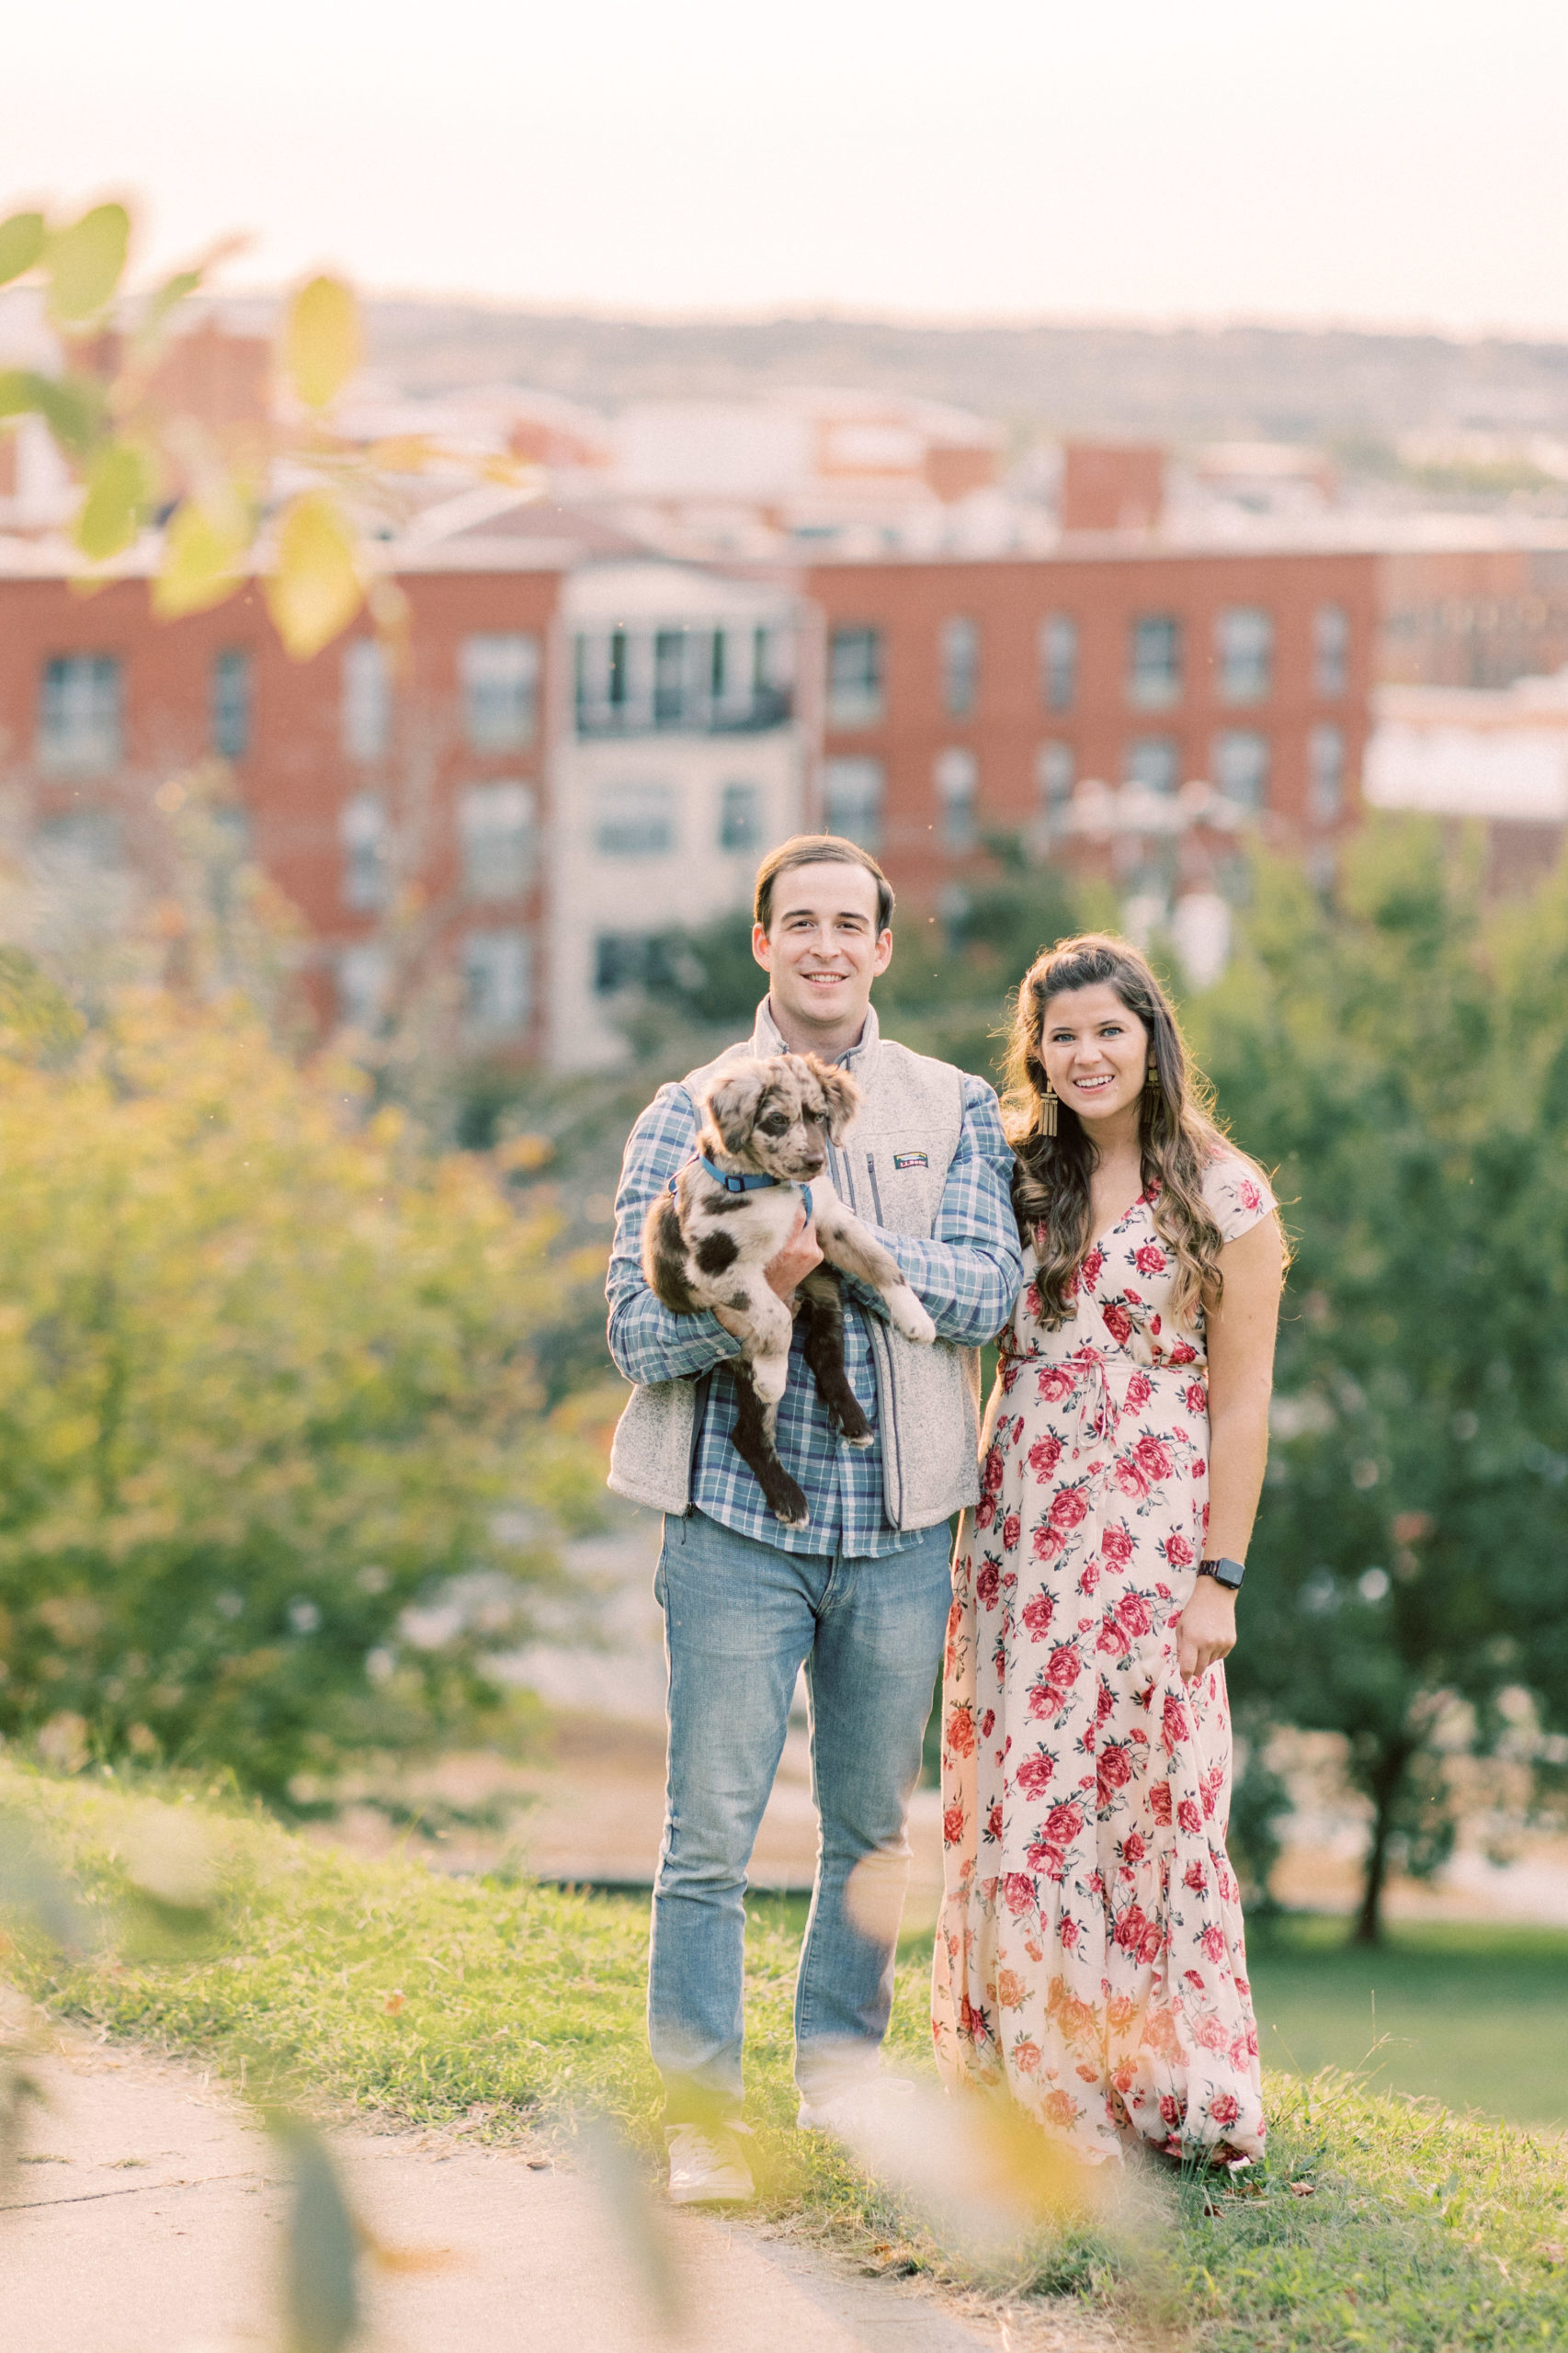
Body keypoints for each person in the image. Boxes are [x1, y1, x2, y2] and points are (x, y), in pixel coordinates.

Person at [607, 835, 1022, 2204]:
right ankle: (702, 2124)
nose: (827, 944)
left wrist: (847, 1245)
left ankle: (839, 2088)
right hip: (730, 1526)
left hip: (902, 1529)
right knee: (707, 1840)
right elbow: (626, 1324)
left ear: (882, 948)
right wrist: (747, 1292)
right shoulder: (687, 1108)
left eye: (851, 923)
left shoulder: (952, 1103)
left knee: (872, 1835)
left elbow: (985, 1294)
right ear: (763, 942)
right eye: (801, 923)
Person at [931, 934, 1284, 2165]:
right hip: (1019, 1542)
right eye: (1059, 1035)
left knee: (1143, 1806)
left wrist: (1217, 1579)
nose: (1083, 1055)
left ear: (1150, 1036)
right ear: (1035, 1051)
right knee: (1025, 1799)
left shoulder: (1227, 1196)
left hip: (1148, 1550)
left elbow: (1241, 1404)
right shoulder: (1016, 1181)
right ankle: (1028, 2084)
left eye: (1105, 1031)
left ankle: (1160, 2082)